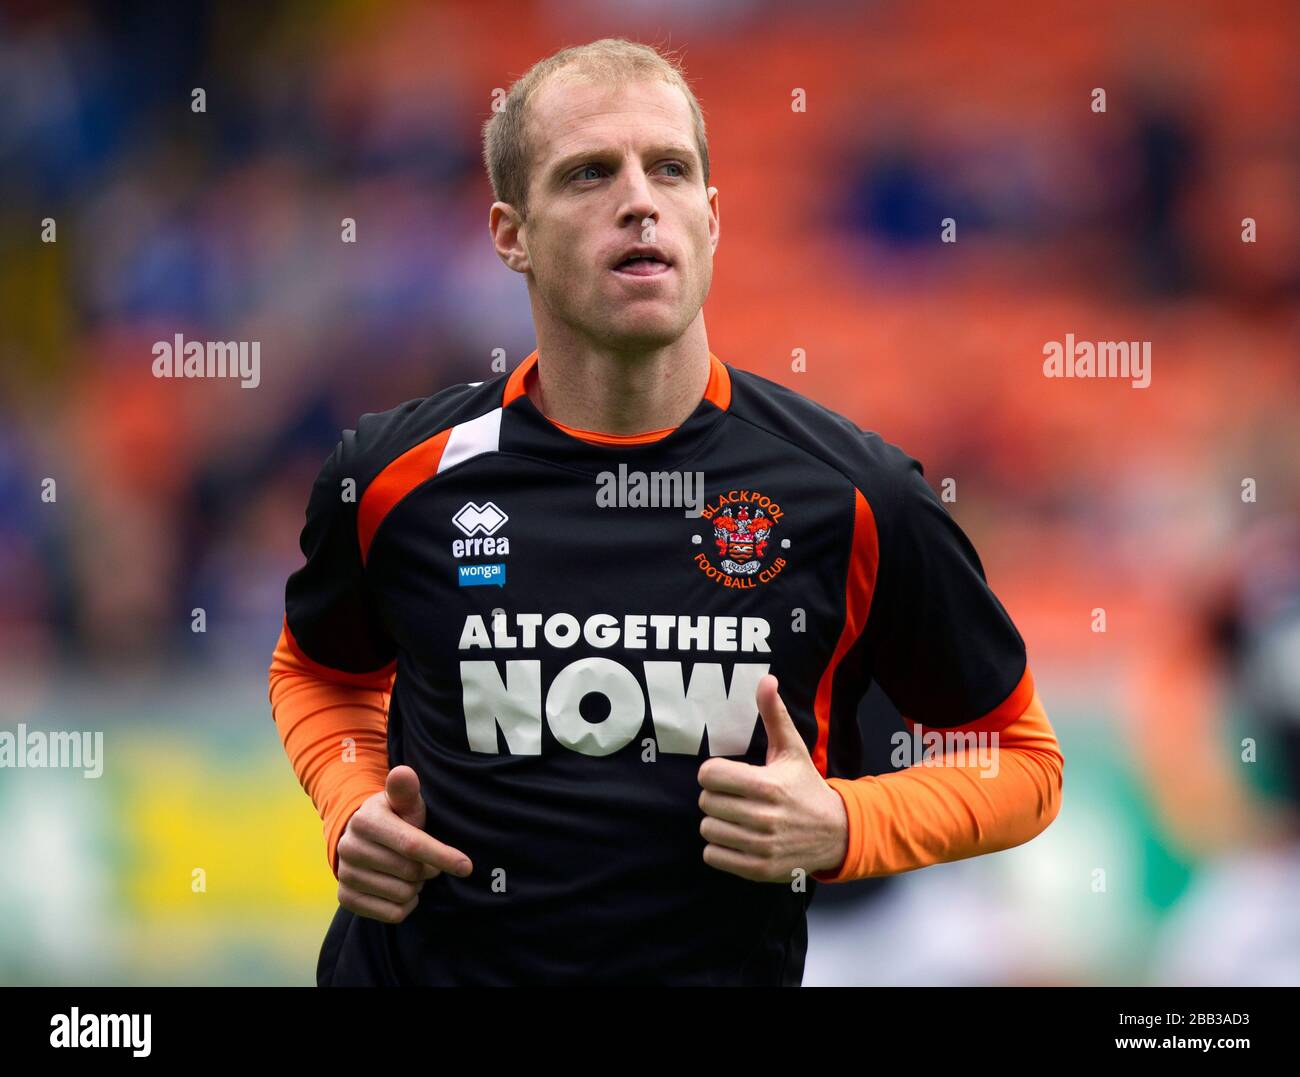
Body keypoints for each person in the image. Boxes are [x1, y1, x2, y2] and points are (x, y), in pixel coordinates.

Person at [267, 37, 1064, 986]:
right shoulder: (394, 477)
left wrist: (848, 824)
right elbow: (319, 672)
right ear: (509, 234)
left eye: (671, 170)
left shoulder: (856, 494)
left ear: (713, 218)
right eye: (590, 173)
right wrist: (351, 801)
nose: (639, 200)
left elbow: (1022, 760)